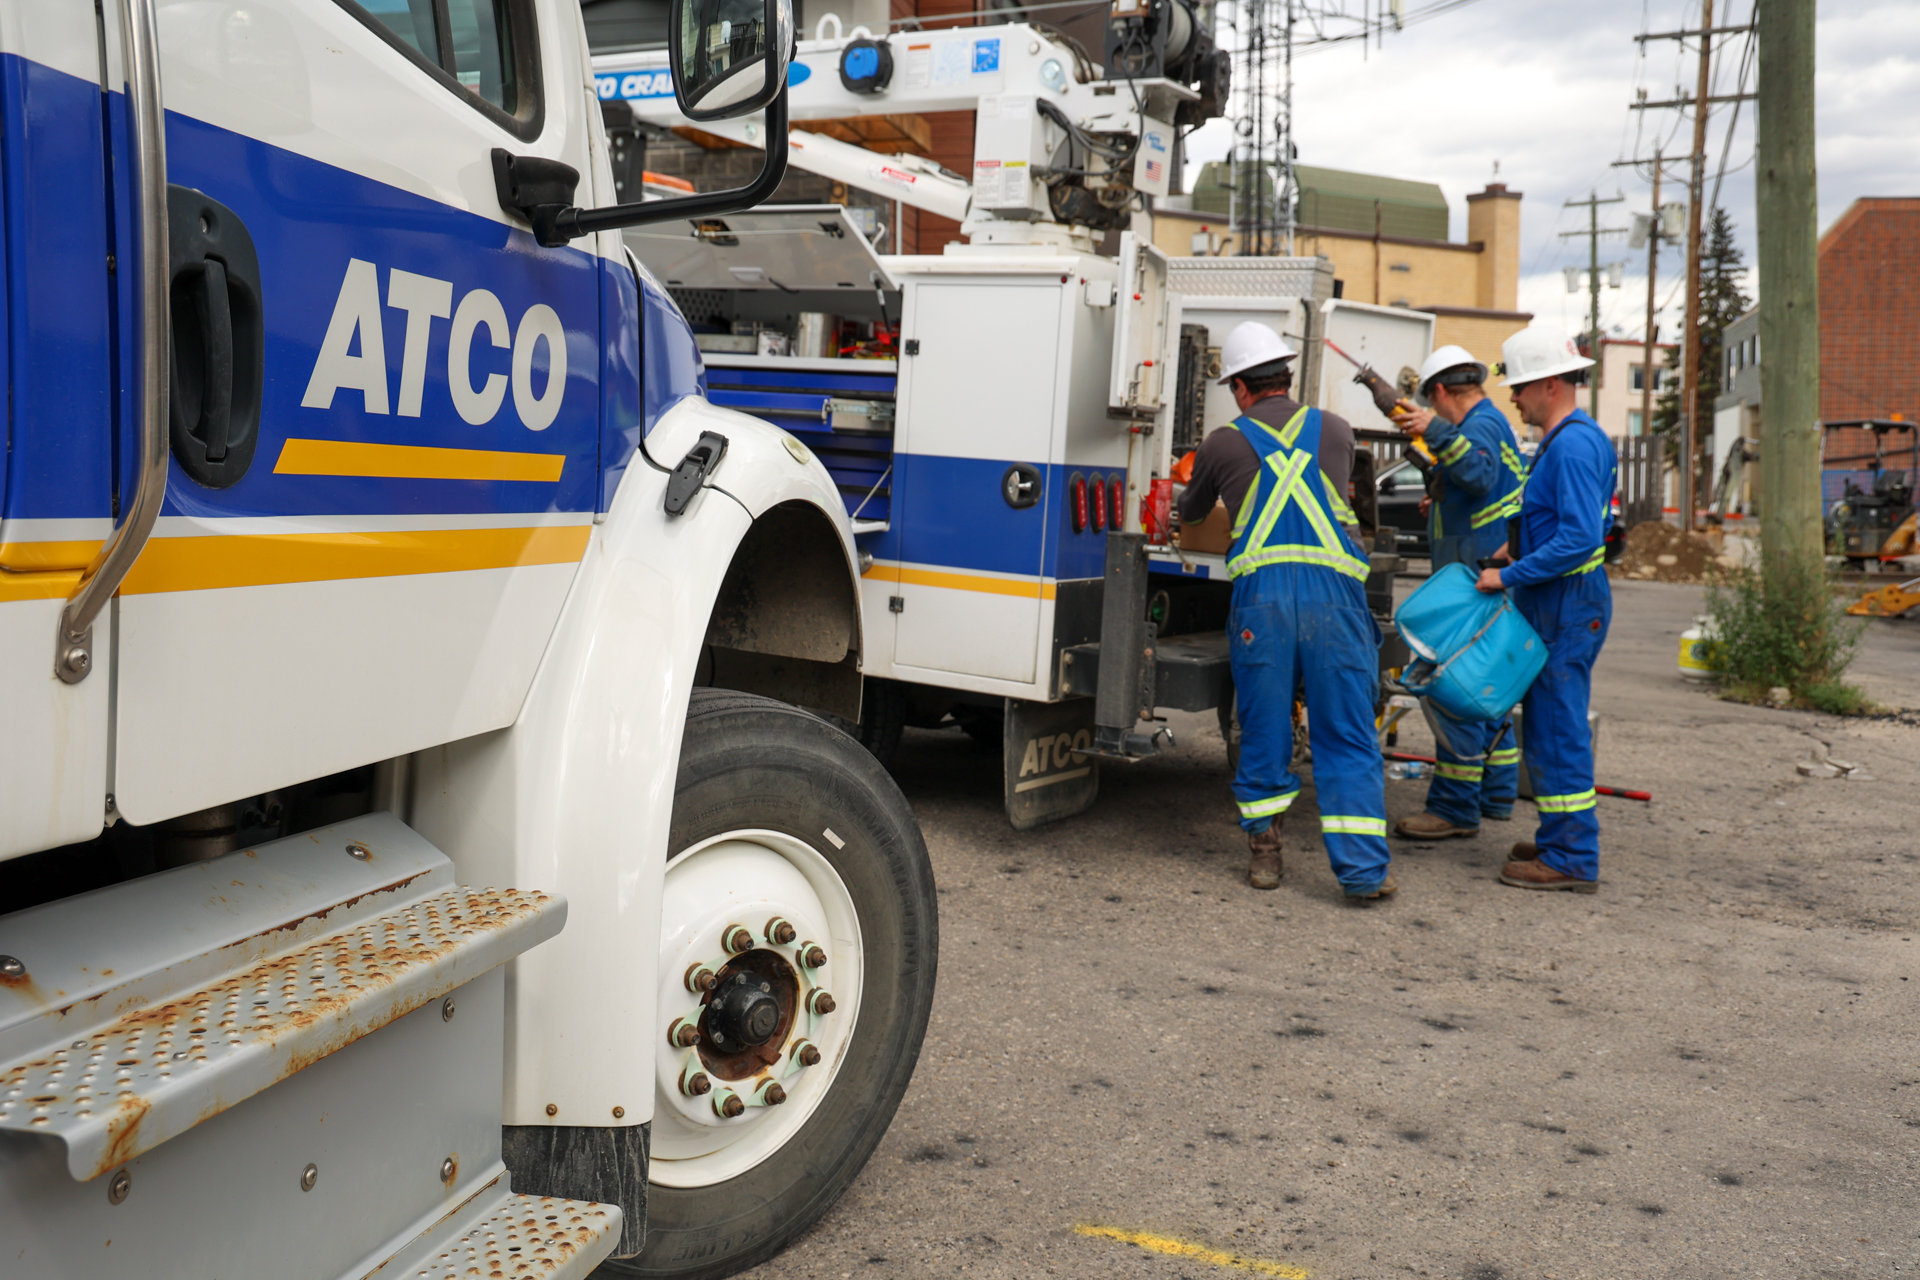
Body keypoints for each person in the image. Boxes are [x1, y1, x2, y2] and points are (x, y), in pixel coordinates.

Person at [1177, 322, 1395, 900]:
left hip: (1265, 605)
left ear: (1240, 388)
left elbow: (1192, 512)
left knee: (1265, 728)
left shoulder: (1221, 442)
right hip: (1336, 604)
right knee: (1347, 733)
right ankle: (1363, 873)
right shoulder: (1337, 430)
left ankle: (1266, 856)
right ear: (1287, 378)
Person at [1475, 324, 1617, 892]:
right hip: (1561, 601)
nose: (1513, 396)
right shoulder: (1569, 441)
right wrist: (1513, 548)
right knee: (1546, 726)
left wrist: (1507, 574)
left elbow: (1580, 538)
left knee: (1557, 729)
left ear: (1551, 384)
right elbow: (1561, 524)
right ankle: (1561, 835)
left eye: (1520, 386)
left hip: (1566, 602)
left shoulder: (1573, 446)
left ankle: (1572, 857)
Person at [1389, 346, 1529, 840]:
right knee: (1486, 691)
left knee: (1454, 691)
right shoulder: (1492, 424)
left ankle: (1454, 807)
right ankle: (1496, 795)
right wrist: (1441, 494)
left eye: (1432, 404)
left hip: (1475, 581)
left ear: (1439, 392)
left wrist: (1435, 431)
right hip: (1484, 576)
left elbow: (1479, 473)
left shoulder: (1478, 426)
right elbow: (1480, 485)